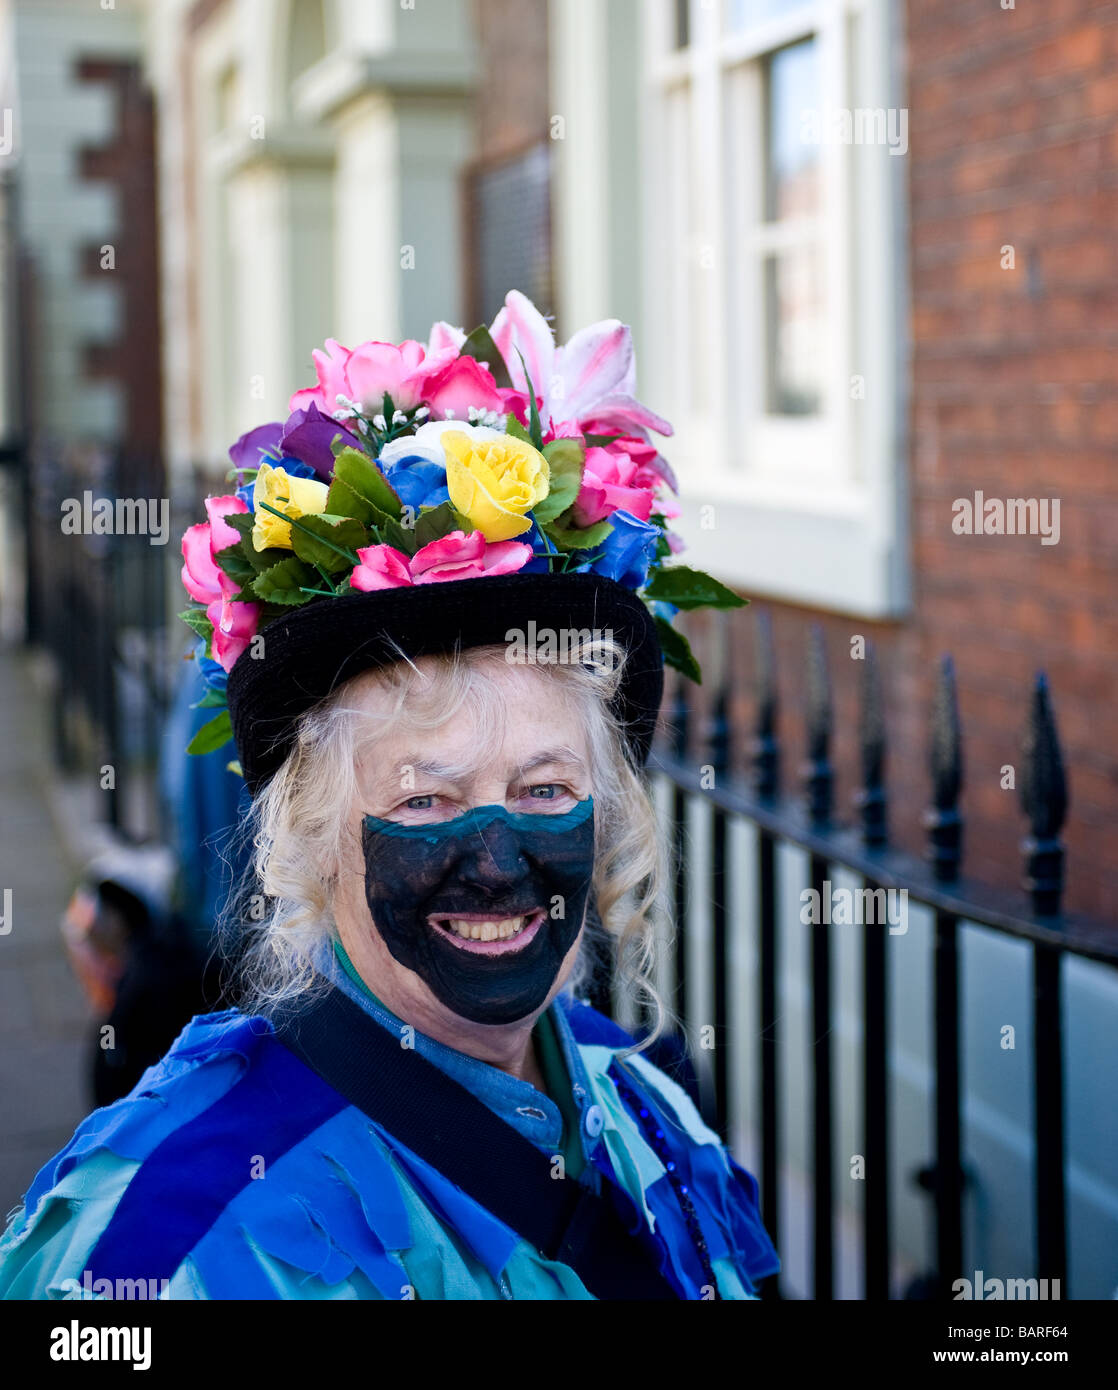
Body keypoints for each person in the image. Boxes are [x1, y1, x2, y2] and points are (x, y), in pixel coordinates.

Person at [0, 291, 778, 1300]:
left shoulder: (654, 1115)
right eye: (422, 799)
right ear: (318, 837)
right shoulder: (166, 1240)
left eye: (544, 786)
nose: (498, 863)